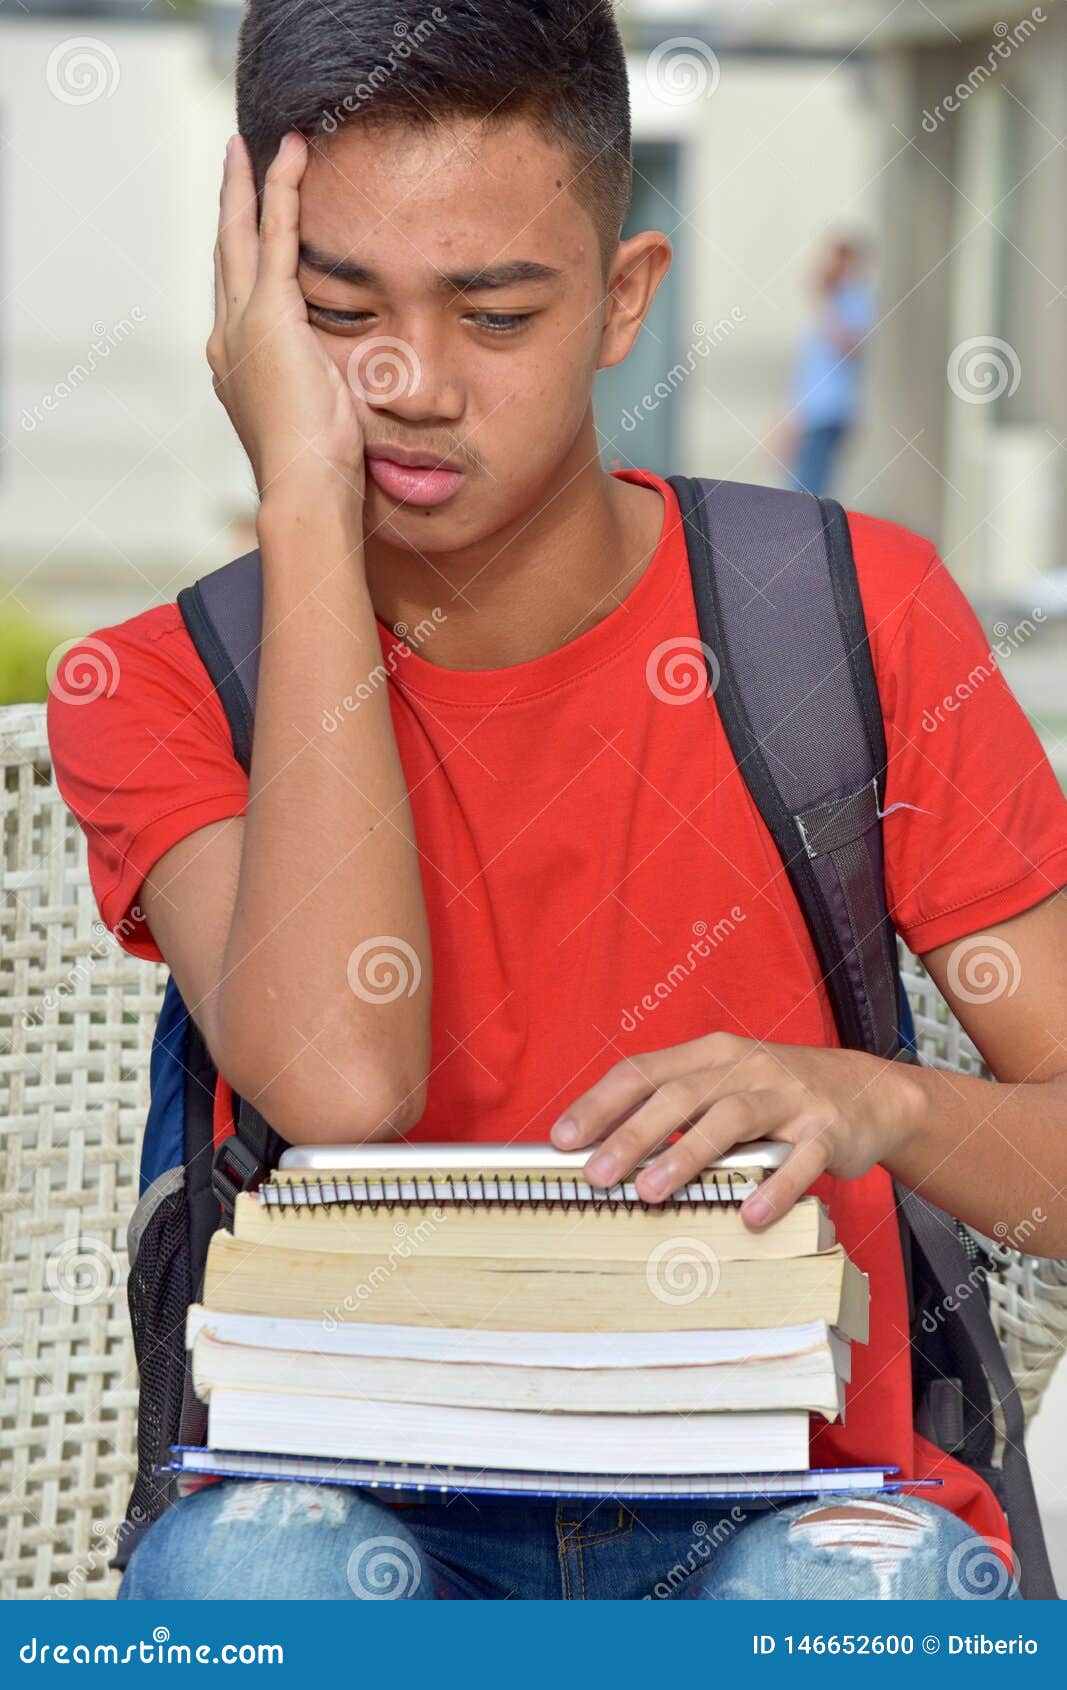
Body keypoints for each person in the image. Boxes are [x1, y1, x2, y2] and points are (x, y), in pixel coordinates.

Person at [48, 0, 1067, 1602]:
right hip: (342, 1507)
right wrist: (305, 509)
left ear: (621, 297)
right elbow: (344, 1076)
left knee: (843, 1601)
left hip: (794, 1501)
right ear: (245, 307)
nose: (406, 380)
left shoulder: (846, 618)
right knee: (261, 1586)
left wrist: (884, 1102)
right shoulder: (159, 687)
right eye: (332, 311)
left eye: (495, 314)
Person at [783, 236, 877, 496]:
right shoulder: (827, 304)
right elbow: (807, 371)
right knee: (796, 487)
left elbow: (850, 346)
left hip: (831, 411)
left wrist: (829, 303)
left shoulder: (856, 300)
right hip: (810, 412)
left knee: (808, 491)